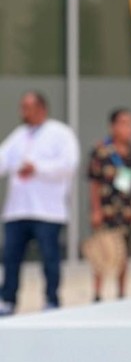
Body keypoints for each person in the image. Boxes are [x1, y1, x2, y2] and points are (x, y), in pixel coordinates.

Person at [0, 92, 80, 315]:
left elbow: (69, 164)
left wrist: (37, 168)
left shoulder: (61, 133)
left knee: (49, 257)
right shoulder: (19, 135)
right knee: (10, 258)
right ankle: (7, 300)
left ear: (42, 109)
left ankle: (51, 300)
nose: (23, 112)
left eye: (28, 107)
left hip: (47, 210)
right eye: (22, 107)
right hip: (18, 209)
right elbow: (3, 159)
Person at [87, 108, 131, 301]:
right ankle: (97, 293)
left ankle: (121, 293)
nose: (128, 128)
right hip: (107, 210)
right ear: (113, 126)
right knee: (102, 250)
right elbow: (94, 182)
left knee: (124, 252)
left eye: (130, 123)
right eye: (123, 123)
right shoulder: (101, 151)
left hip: (129, 211)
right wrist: (96, 210)